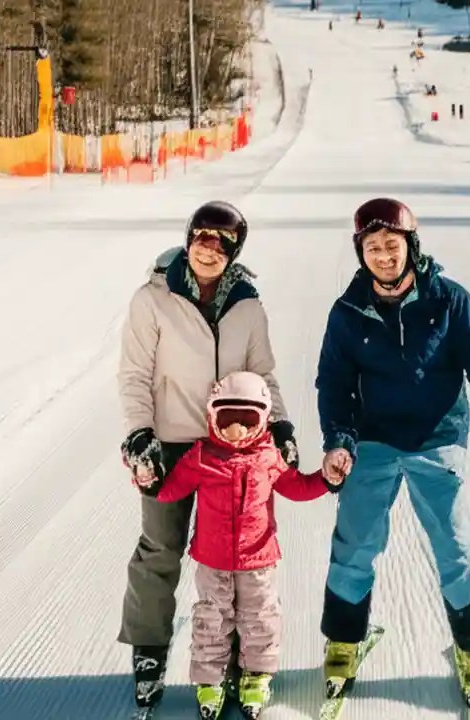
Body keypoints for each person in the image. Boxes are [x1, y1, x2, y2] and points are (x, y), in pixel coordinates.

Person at [314, 198, 470, 713]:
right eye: (373, 247)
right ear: (361, 253)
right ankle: (343, 642)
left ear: (410, 246)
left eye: (391, 245)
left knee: (455, 546)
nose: (383, 256)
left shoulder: (448, 300)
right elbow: (332, 384)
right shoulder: (348, 310)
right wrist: (338, 439)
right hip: (373, 440)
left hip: (436, 439)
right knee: (354, 546)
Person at [117, 201, 299, 712]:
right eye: (201, 236)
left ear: (235, 249)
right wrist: (139, 433)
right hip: (174, 444)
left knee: (240, 558)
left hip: (236, 445)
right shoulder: (152, 299)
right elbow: (134, 375)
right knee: (160, 547)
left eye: (221, 241)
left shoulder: (248, 306)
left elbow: (263, 375)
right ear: (188, 237)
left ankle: (241, 654)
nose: (209, 248)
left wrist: (279, 424)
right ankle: (149, 649)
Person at [145, 371, 336, 718]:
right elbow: (171, 489)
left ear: (262, 419)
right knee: (211, 620)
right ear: (212, 415)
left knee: (260, 619)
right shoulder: (202, 456)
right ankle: (209, 681)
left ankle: (256, 677)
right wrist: (150, 480)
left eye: (246, 420)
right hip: (213, 561)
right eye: (227, 419)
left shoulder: (268, 457)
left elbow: (296, 487)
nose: (237, 430)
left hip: (257, 559)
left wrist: (326, 480)